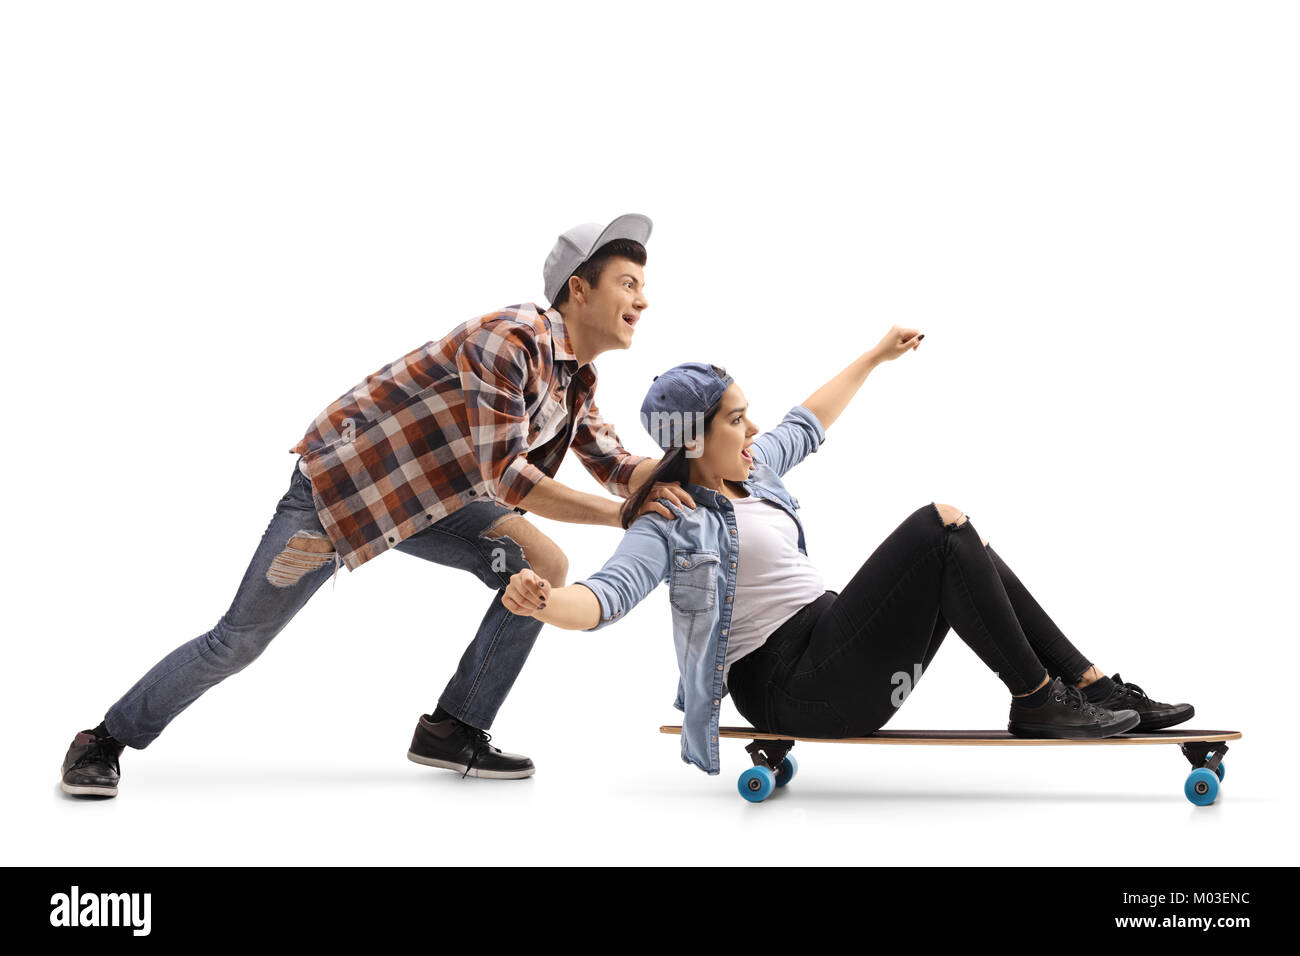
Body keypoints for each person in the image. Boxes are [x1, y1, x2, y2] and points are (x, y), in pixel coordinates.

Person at [60, 213, 699, 796]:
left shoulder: (574, 377)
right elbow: (508, 477)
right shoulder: (510, 339)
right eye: (627, 283)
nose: (642, 300)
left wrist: (696, 464)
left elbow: (616, 464)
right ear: (579, 290)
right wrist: (619, 514)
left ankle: (453, 729)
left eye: (643, 286)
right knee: (239, 641)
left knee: (542, 566)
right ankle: (103, 739)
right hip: (343, 492)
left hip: (431, 500)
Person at [500, 329, 1195, 775]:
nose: (754, 429)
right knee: (941, 527)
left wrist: (874, 356)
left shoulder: (753, 472)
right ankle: (1039, 699)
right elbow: (604, 597)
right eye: (737, 419)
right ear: (693, 440)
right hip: (793, 685)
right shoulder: (670, 521)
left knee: (964, 542)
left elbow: (807, 421)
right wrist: (544, 602)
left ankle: (1088, 685)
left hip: (831, 649)